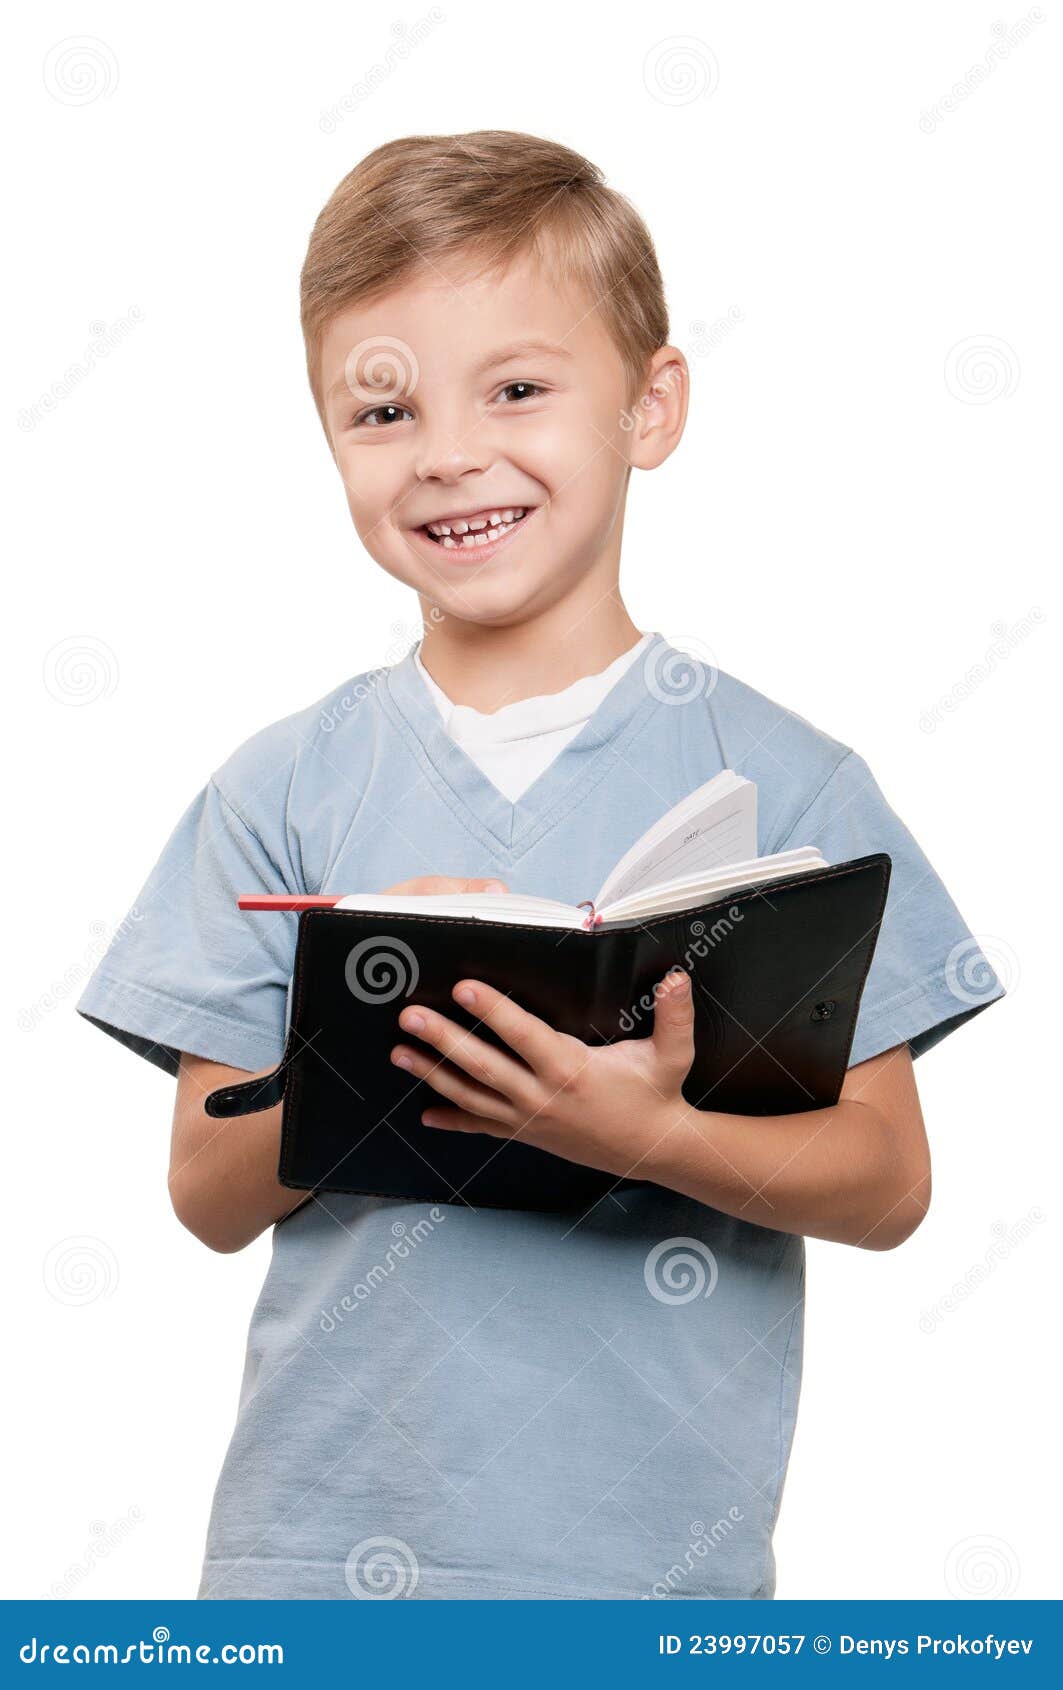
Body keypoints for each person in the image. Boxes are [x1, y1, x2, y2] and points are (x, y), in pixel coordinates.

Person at [76, 131, 1004, 1601]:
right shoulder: (281, 786)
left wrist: (644, 1136)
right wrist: (365, 1031)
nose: (447, 452)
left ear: (650, 406)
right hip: (310, 1574)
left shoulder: (793, 786)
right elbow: (207, 1190)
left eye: (516, 389)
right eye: (384, 408)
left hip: (644, 1589)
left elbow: (888, 1182)